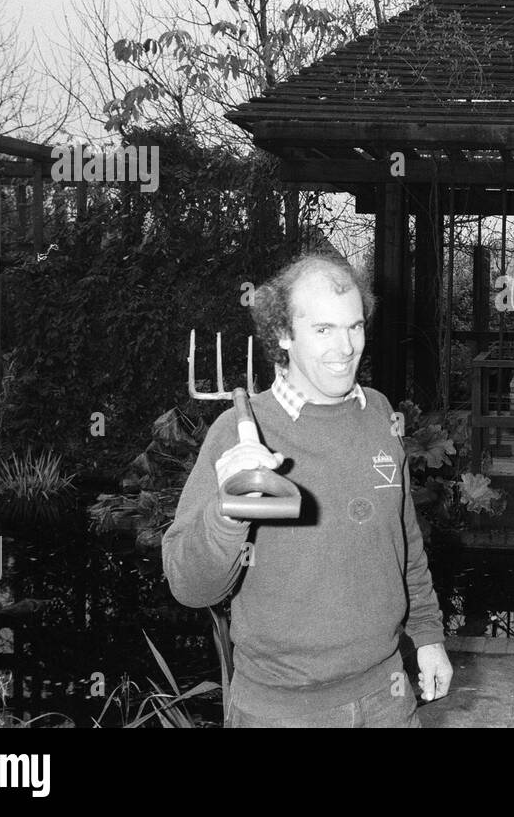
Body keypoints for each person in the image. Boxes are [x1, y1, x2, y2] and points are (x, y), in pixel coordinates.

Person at [163, 253, 451, 727]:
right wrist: (228, 515)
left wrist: (428, 636)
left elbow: (404, 541)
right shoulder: (239, 433)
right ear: (282, 335)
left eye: (354, 327)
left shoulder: (380, 413)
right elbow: (188, 586)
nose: (345, 347)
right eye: (323, 330)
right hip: (282, 712)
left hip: (389, 697)